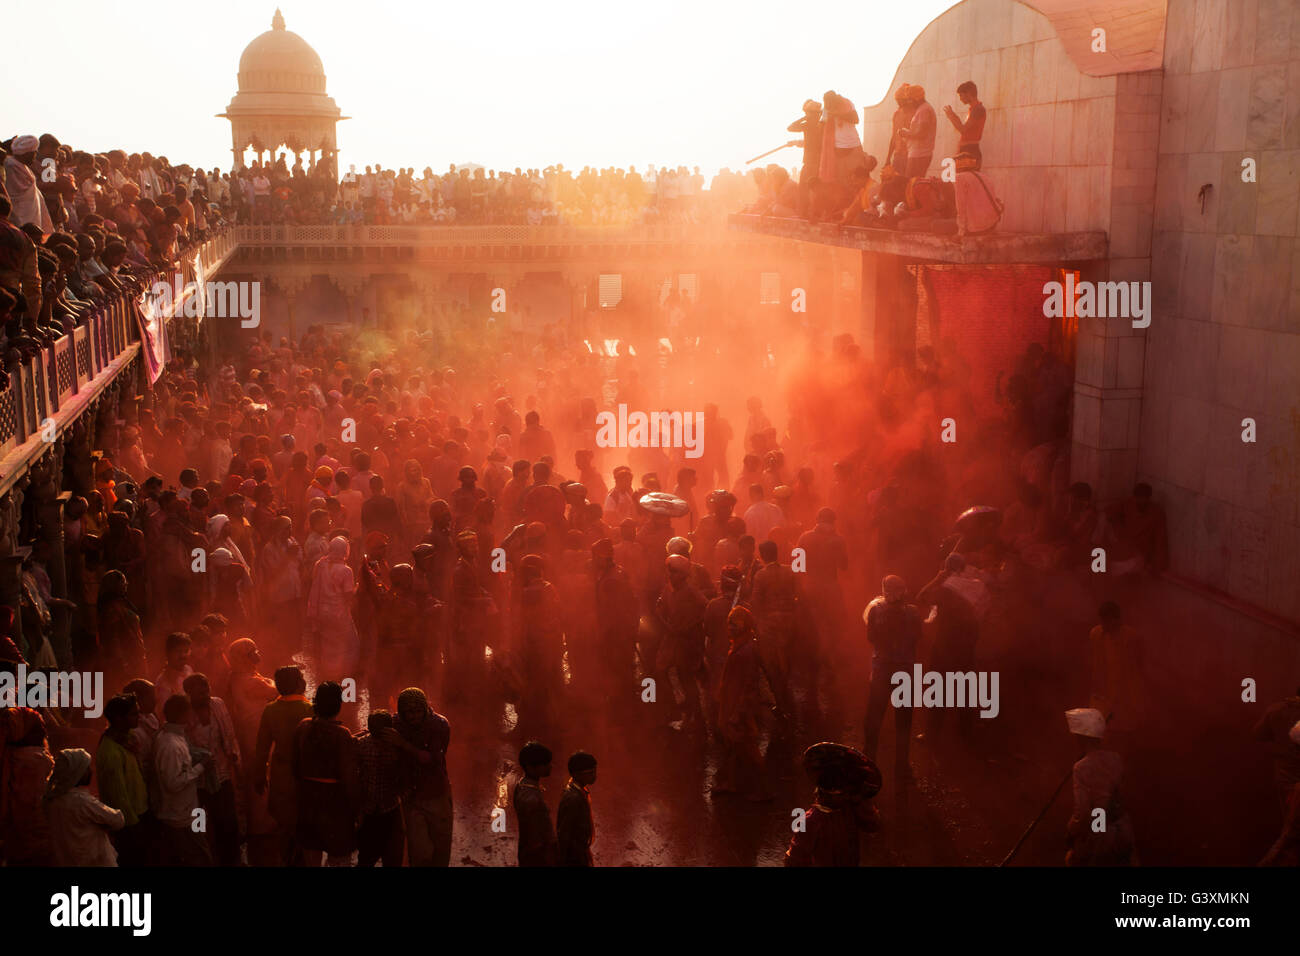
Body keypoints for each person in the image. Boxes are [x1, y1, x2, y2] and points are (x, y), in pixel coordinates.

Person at [292, 681, 358, 866]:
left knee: (311, 856)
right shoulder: (342, 734)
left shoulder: (303, 727)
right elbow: (349, 778)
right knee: (339, 858)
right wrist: (357, 809)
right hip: (334, 805)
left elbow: (295, 767)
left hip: (308, 801)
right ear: (338, 704)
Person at [253, 665, 315, 865]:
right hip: (306, 775)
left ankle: (287, 859)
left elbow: (262, 747)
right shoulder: (310, 709)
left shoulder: (271, 710)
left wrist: (259, 774)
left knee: (283, 823)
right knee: (304, 823)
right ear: (300, 684)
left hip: (281, 774)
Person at [862, 575, 921, 778]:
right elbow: (917, 638)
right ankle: (902, 765)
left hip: (882, 670)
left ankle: (868, 762)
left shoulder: (876, 610)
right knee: (903, 720)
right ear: (904, 590)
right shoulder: (913, 612)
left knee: (874, 718)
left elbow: (870, 637)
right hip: (905, 670)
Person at [1064, 708, 1138, 866]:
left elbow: (1082, 813)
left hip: (1100, 836)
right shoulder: (1115, 759)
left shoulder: (1081, 768)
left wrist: (1070, 830)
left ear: (1080, 738)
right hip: (1123, 830)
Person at [392, 687, 453, 867]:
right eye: (409, 712)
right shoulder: (395, 724)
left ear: (425, 708)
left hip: (437, 793)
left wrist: (403, 744)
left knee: (441, 850)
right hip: (411, 796)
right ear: (402, 712)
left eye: (418, 711)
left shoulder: (439, 725)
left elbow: (433, 760)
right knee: (419, 853)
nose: (414, 716)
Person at [153, 694, 213, 866]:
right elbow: (173, 783)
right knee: (198, 856)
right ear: (182, 715)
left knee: (203, 846)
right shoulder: (169, 744)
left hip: (192, 809)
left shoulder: (176, 737)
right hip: (180, 816)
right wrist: (202, 766)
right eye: (189, 711)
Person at [95, 694, 151, 866]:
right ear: (119, 718)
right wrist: (133, 826)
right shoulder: (110, 751)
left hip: (139, 813)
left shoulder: (127, 739)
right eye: (134, 714)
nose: (139, 717)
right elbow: (119, 796)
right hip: (128, 824)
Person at [43, 749, 124, 866]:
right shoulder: (82, 802)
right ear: (77, 772)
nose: (90, 771)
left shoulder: (51, 801)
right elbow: (118, 820)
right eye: (86, 768)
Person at [354, 710, 405, 868]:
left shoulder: (361, 744)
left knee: (366, 858)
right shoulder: (397, 746)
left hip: (368, 811)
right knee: (392, 859)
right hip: (391, 808)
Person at [513, 740, 558, 866]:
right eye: (545, 764)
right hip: (537, 856)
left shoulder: (522, 785)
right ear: (530, 767)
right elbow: (537, 837)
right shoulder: (531, 798)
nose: (550, 766)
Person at [556, 750, 598, 867]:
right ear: (576, 774)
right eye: (590, 772)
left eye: (594, 771)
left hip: (580, 852)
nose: (595, 775)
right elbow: (564, 834)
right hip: (574, 857)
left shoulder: (579, 791)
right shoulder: (573, 798)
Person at [943, 81, 986, 170]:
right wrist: (953, 116)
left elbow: (963, 129)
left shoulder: (978, 109)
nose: (960, 99)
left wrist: (951, 116)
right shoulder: (973, 109)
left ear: (969, 94)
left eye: (961, 96)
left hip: (970, 150)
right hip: (967, 149)